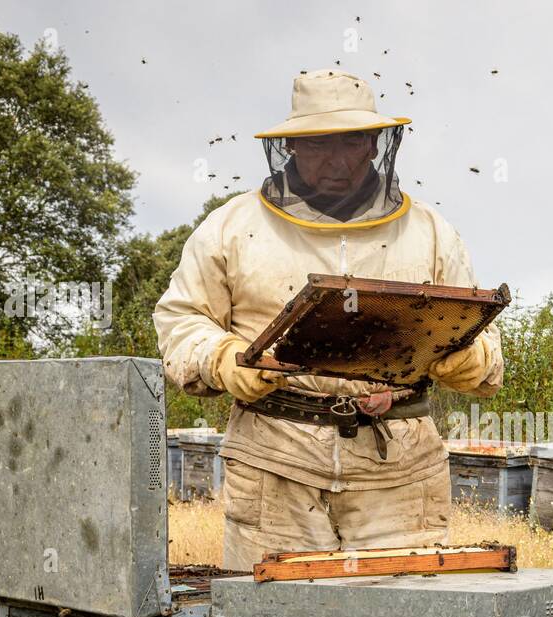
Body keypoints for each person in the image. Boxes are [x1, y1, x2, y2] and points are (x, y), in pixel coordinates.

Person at [153, 70, 502, 570]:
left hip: (398, 472)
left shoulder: (429, 231)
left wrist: (471, 357)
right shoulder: (232, 227)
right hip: (276, 467)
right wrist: (223, 359)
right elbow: (182, 318)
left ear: (374, 143)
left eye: (352, 141)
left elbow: (483, 334)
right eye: (319, 146)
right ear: (292, 146)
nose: (337, 161)